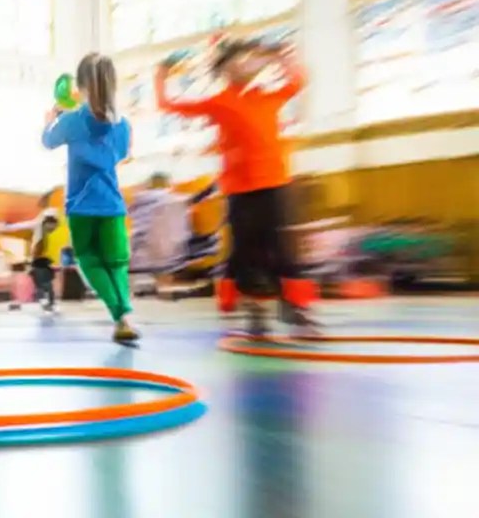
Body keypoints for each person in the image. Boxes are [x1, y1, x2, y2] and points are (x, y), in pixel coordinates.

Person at [155, 38, 315, 337]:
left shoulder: (267, 96)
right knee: (247, 252)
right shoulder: (219, 102)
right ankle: (256, 311)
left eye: (248, 59)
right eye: (239, 60)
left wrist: (283, 56)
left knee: (283, 249)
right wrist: (162, 75)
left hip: (276, 185)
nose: (246, 64)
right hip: (241, 192)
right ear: (225, 69)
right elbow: (167, 105)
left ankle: (297, 309)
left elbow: (298, 81)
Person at [41, 54, 138, 345]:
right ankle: (125, 316)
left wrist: (51, 119)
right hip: (112, 204)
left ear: (80, 86)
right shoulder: (124, 126)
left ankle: (120, 315)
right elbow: (121, 154)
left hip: (81, 205)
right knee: (117, 262)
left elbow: (47, 142)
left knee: (88, 259)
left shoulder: (72, 121)